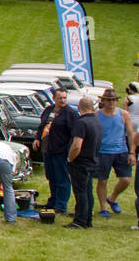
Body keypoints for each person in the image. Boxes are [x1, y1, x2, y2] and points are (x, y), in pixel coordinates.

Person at [35, 88, 79, 214]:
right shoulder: (48, 110)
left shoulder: (70, 113)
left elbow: (74, 134)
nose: (63, 100)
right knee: (51, 177)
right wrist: (37, 139)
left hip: (61, 151)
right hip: (47, 149)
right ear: (53, 98)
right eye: (60, 98)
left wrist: (69, 151)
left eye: (64, 98)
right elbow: (42, 126)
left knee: (62, 179)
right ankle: (52, 201)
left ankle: (61, 205)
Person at [95, 89, 135, 219]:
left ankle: (112, 198)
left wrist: (132, 152)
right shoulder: (97, 115)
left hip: (121, 151)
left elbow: (130, 134)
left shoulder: (123, 114)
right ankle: (103, 208)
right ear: (103, 101)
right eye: (108, 100)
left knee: (126, 180)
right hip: (103, 152)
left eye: (113, 100)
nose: (111, 102)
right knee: (102, 181)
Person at [66, 96, 101, 229]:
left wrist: (70, 158)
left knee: (80, 192)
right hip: (92, 161)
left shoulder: (82, 123)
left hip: (80, 163)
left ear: (79, 108)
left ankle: (80, 220)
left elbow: (76, 145)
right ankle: (87, 220)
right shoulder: (96, 122)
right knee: (88, 191)